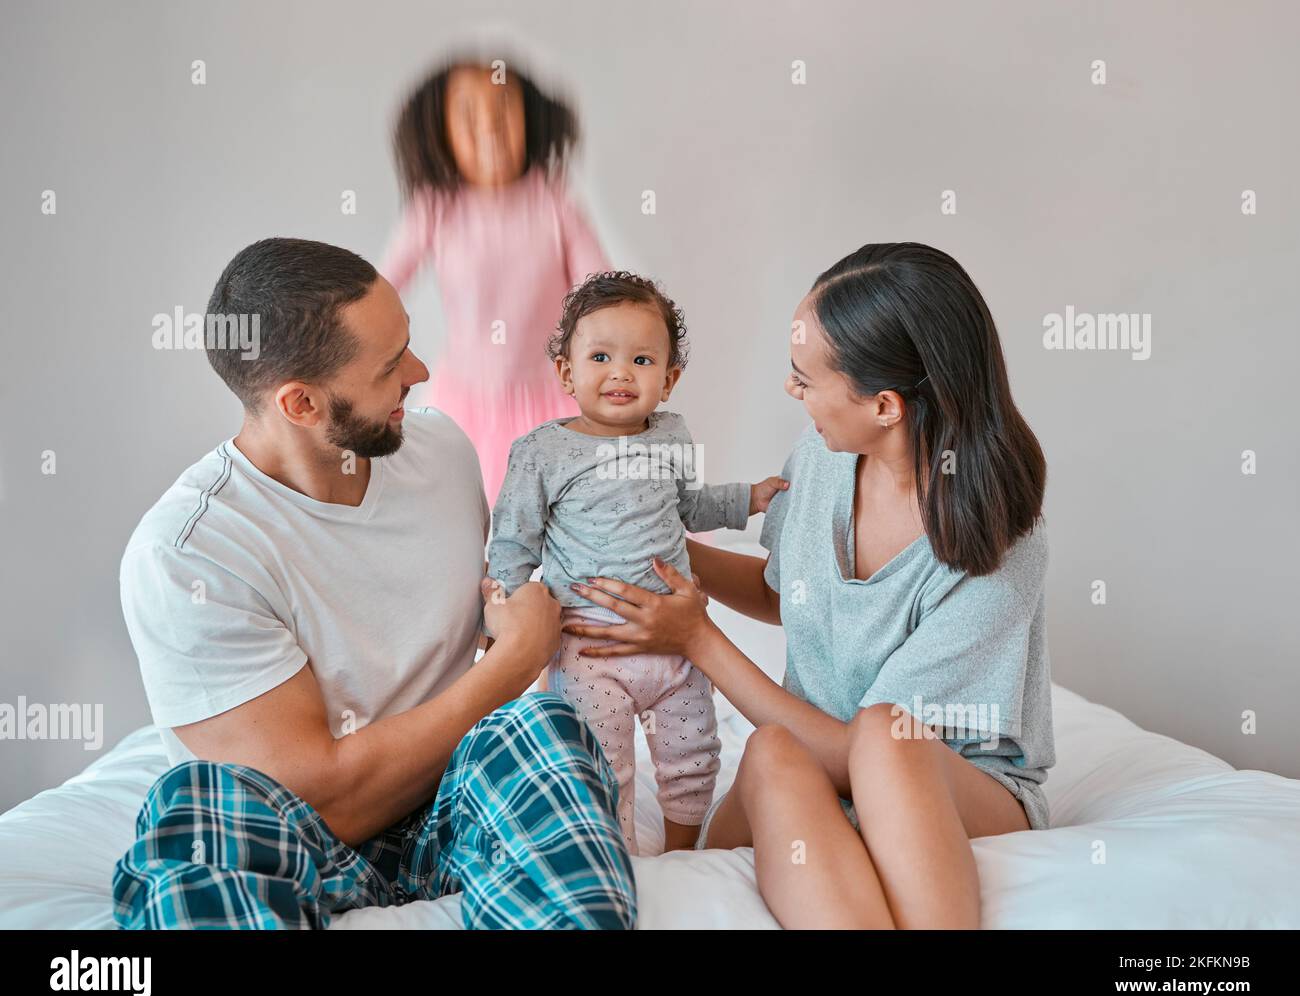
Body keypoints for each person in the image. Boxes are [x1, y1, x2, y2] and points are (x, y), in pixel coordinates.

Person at [111, 237, 635, 929]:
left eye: (409, 345)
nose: (419, 371)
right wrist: (511, 664)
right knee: (194, 806)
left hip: (458, 801)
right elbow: (326, 800)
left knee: (541, 729)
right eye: (391, 366)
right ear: (300, 404)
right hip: (305, 840)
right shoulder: (190, 554)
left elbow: (491, 607)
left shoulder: (441, 451)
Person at [561, 242, 1056, 929]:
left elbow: (864, 754)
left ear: (885, 405)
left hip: (950, 784)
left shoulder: (998, 546)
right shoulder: (825, 459)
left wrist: (698, 640)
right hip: (814, 758)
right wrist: (658, 550)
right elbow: (780, 593)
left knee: (885, 734)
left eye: (805, 378)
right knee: (768, 751)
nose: (793, 392)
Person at [487, 270, 787, 855]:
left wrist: (745, 498)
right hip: (590, 645)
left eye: (644, 361)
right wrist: (501, 618)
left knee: (693, 753)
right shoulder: (543, 452)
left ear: (669, 379)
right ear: (566, 373)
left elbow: (688, 508)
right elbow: (514, 542)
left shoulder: (673, 436)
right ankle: (617, 857)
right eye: (601, 356)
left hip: (677, 638)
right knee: (605, 762)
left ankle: (683, 852)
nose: (622, 373)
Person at [381, 56, 610, 505]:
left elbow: (602, 289)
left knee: (576, 514)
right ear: (439, 133)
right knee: (466, 517)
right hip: (463, 405)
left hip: (554, 399)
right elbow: (382, 289)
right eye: (468, 114)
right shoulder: (437, 207)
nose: (490, 127)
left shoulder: (552, 202)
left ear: (531, 119)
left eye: (505, 109)